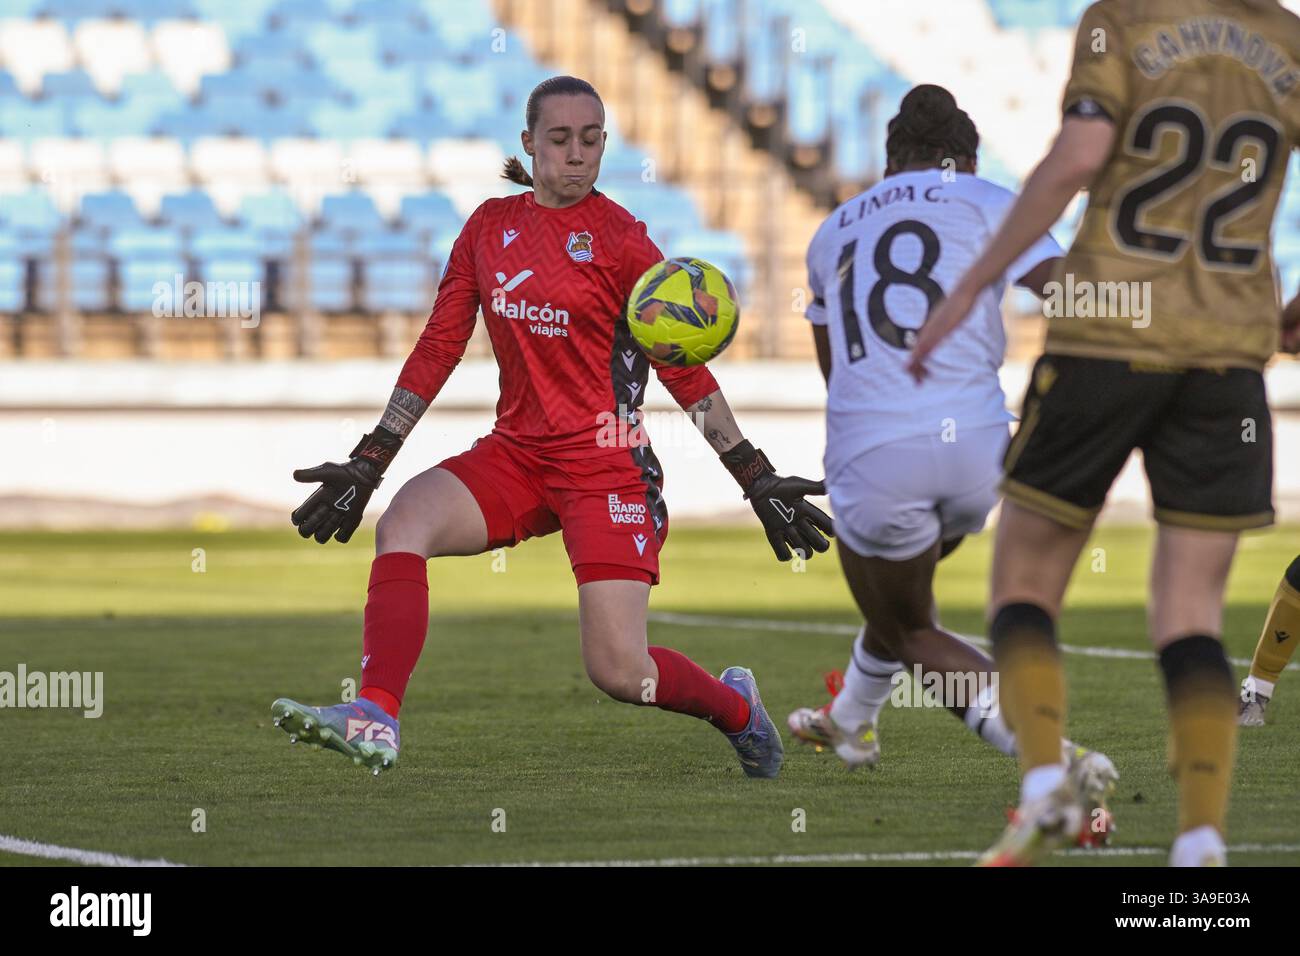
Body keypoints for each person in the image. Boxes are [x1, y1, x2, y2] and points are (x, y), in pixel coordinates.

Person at [270, 75, 834, 779]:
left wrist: (754, 476)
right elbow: (439, 345)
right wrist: (371, 458)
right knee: (403, 521)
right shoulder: (487, 228)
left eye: (591, 139)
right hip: (516, 455)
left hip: (607, 469)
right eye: (560, 139)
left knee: (621, 671)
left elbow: (681, 369)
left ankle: (739, 711)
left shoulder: (624, 242)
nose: (577, 154)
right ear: (529, 143)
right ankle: (376, 714)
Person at [909, 0, 1300, 866]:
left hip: (1105, 333)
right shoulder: (1287, 39)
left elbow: (1080, 157)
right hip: (1228, 353)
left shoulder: (1120, 20)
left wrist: (974, 286)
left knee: (1026, 580)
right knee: (1191, 611)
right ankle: (1201, 838)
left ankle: (1046, 781)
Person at [788, 85, 1115, 844]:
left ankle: (1057, 764)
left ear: (888, 162)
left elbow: (835, 367)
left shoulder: (833, 230)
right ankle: (850, 723)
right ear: (964, 158)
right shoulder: (988, 197)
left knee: (906, 623)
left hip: (876, 447)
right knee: (898, 599)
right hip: (978, 446)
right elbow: (1065, 293)